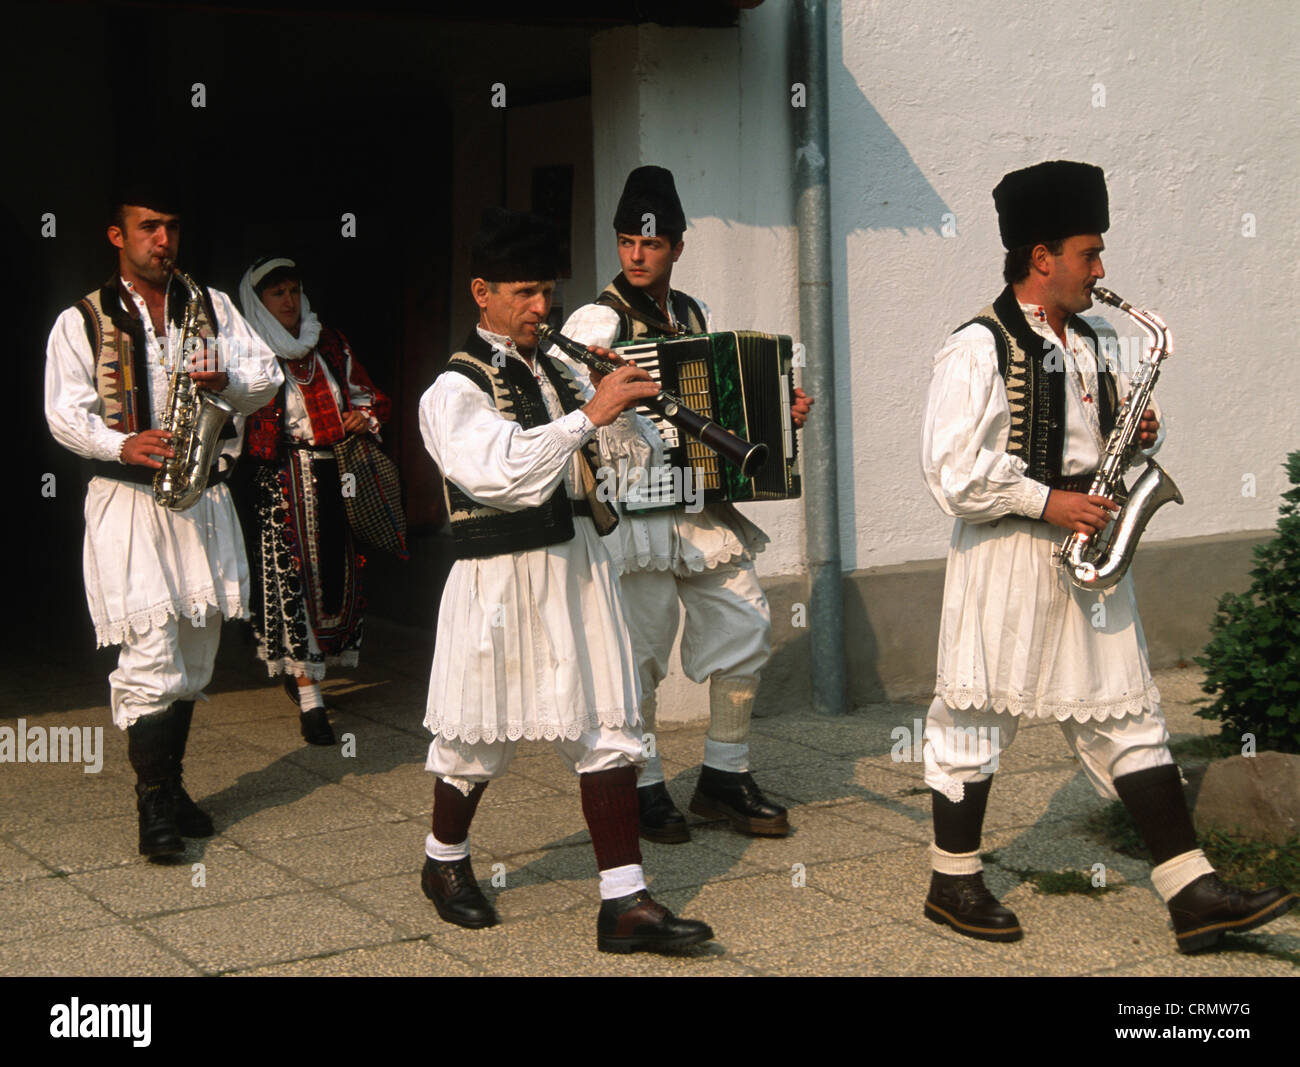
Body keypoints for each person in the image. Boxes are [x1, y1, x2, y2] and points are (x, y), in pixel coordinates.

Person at [919, 159, 1297, 952]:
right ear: (1040, 257)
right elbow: (951, 471)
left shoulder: (1092, 341)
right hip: (1009, 551)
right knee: (977, 713)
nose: (1101, 270)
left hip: (1089, 550)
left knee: (1129, 712)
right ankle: (953, 879)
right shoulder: (975, 348)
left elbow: (1093, 438)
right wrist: (1047, 499)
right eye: (1089, 253)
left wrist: (1134, 435)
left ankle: (1193, 895)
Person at [417, 208, 714, 953]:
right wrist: (590, 412)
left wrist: (621, 412)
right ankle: (444, 861)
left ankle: (625, 903)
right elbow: (504, 472)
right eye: (523, 293)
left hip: (578, 566)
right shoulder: (451, 391)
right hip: (498, 576)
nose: (540, 309)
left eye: (546, 291)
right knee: (477, 741)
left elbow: (631, 467)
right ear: (482, 292)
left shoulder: (559, 367)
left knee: (609, 729)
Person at [558, 165, 813, 844]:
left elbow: (722, 398)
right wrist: (592, 377)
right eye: (626, 242)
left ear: (677, 246)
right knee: (640, 651)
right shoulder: (599, 315)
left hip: (693, 499)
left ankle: (724, 775)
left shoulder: (692, 314)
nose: (637, 255)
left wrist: (778, 415)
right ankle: (641, 783)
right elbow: (560, 386)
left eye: (651, 244)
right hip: (634, 504)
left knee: (746, 619)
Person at [44, 184, 282, 858]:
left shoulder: (212, 306)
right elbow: (63, 412)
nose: (163, 240)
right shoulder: (81, 320)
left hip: (200, 494)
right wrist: (121, 444)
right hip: (128, 500)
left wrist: (225, 384)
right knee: (150, 649)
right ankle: (153, 807)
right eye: (148, 227)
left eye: (171, 227)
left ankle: (170, 784)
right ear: (116, 235)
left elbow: (266, 375)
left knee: (197, 651)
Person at [238, 256, 391, 745]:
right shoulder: (248, 350)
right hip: (282, 477)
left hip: (337, 472)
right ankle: (312, 701)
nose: (287, 301)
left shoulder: (328, 342)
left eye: (292, 290)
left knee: (335, 577)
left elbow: (366, 394)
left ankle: (309, 669)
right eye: (275, 293)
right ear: (258, 301)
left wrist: (359, 418)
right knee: (292, 582)